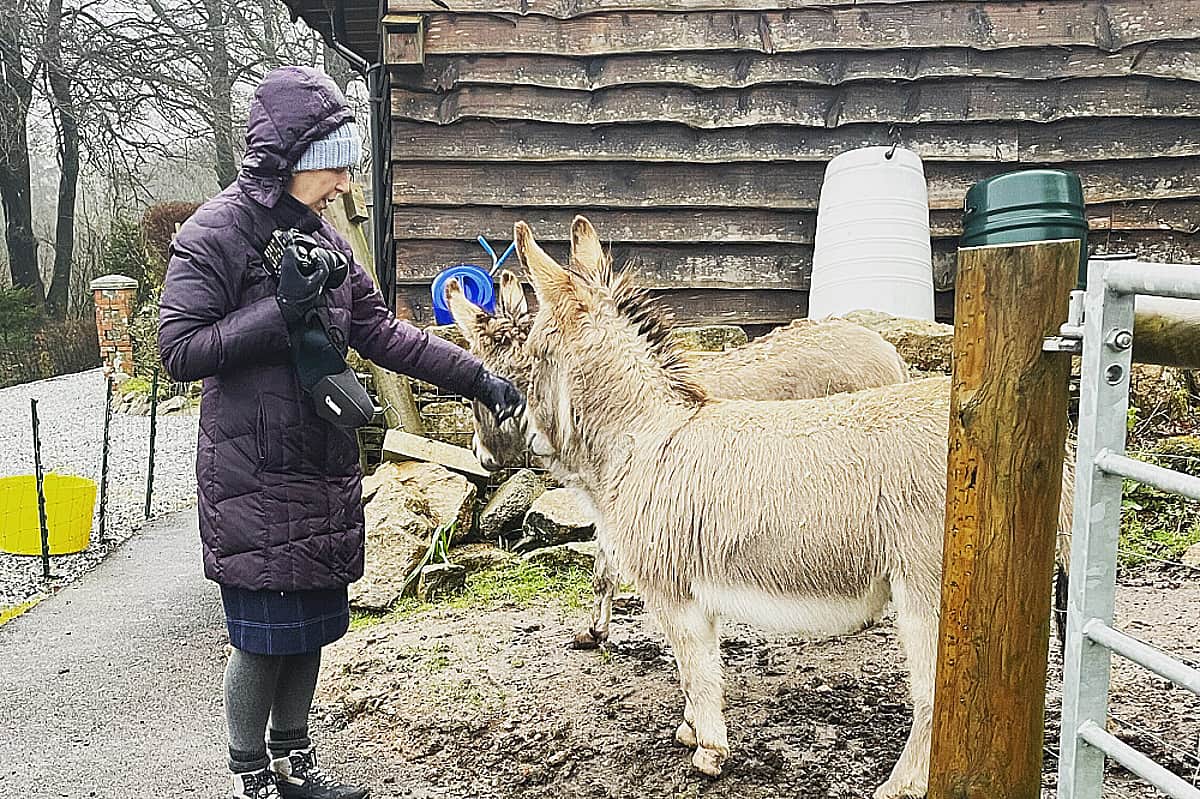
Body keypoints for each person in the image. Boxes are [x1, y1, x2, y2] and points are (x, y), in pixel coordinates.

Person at [158, 66, 524, 799]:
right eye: (335, 165)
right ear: (291, 156)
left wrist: (479, 375)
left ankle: (295, 765)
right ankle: (250, 776)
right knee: (262, 638)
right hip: (252, 472)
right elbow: (179, 351)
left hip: (320, 461)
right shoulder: (214, 235)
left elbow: (383, 333)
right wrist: (277, 315)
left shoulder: (326, 239)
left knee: (312, 628)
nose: (345, 184)